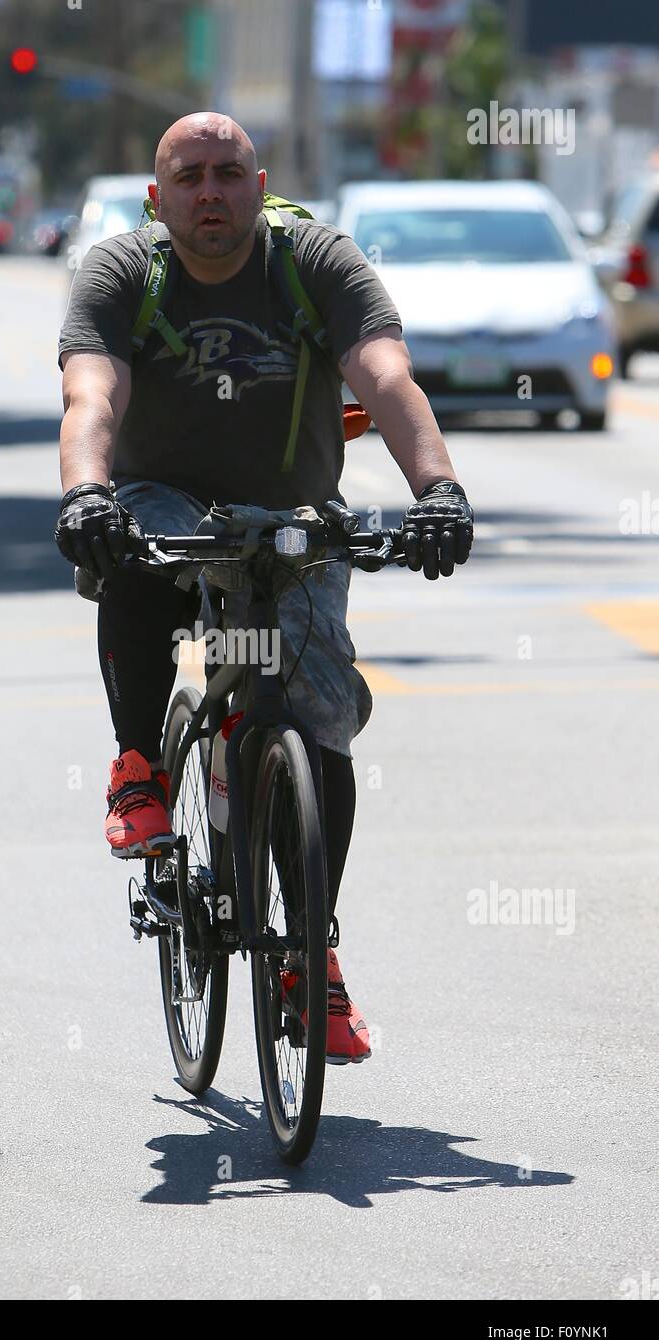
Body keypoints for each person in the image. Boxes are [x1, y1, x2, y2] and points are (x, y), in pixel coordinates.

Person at [55, 113, 474, 1064]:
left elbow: (388, 375)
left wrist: (438, 489)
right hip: (166, 496)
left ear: (260, 183)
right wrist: (87, 495)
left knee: (318, 725)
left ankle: (310, 952)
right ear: (159, 200)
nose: (212, 192)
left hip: (292, 509)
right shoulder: (125, 272)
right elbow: (92, 396)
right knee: (130, 540)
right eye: (191, 178)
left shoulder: (316, 260)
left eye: (229, 174)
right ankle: (139, 768)